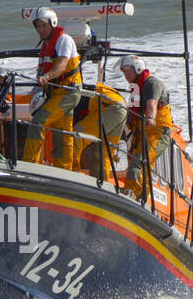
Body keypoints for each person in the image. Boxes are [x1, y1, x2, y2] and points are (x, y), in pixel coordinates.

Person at [22, 7, 81, 170]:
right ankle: (64, 170)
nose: (40, 30)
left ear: (52, 24)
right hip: (55, 93)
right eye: (38, 27)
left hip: (69, 92)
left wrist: (46, 77)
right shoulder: (47, 44)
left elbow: (61, 65)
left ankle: (28, 164)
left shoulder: (64, 40)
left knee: (39, 121)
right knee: (61, 132)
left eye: (43, 26)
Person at [119, 55, 171, 199]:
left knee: (139, 160)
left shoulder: (152, 84)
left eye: (126, 71)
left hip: (158, 131)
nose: (125, 76)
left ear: (137, 68)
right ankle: (142, 197)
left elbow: (151, 105)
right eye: (123, 72)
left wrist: (151, 118)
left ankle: (129, 193)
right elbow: (132, 113)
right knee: (140, 164)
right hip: (142, 132)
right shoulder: (135, 88)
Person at [73, 82, 128, 182]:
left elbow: (75, 131)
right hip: (120, 107)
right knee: (103, 153)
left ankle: (72, 174)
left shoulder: (69, 100)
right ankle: (102, 183)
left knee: (75, 135)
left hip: (111, 108)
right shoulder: (75, 91)